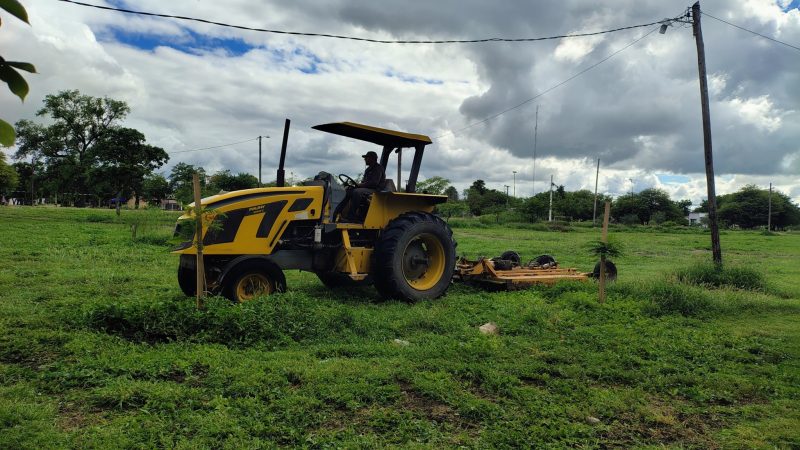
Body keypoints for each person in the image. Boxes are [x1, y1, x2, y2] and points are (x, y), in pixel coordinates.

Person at [341, 150, 385, 222]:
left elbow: (374, 183)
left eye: (367, 157)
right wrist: (356, 185)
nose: (365, 159)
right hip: (368, 189)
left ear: (372, 158)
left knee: (357, 192)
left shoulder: (378, 168)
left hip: (376, 190)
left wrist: (360, 185)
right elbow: (364, 182)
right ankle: (340, 212)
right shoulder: (368, 169)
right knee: (349, 190)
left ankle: (351, 216)